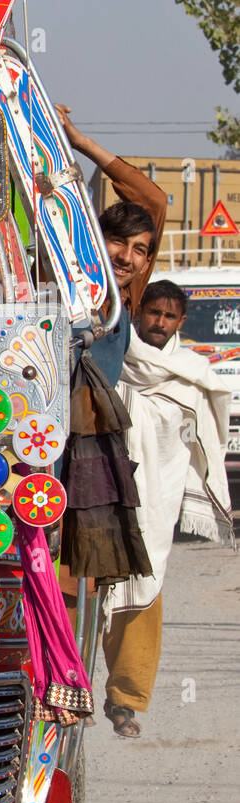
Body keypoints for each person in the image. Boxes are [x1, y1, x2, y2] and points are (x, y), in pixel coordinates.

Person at [102, 279, 232, 737]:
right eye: (152, 312)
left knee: (144, 591)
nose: (159, 322)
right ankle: (63, 690)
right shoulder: (109, 357)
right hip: (100, 492)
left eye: (168, 316)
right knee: (78, 594)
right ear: (138, 313)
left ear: (180, 322)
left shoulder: (191, 372)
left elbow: (207, 442)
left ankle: (125, 701)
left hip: (155, 503)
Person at [58, 105, 168, 385]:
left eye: (139, 250)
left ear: (146, 263)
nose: (126, 258)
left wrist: (81, 141)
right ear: (96, 239)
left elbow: (154, 201)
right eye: (117, 242)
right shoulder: (69, 277)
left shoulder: (129, 292)